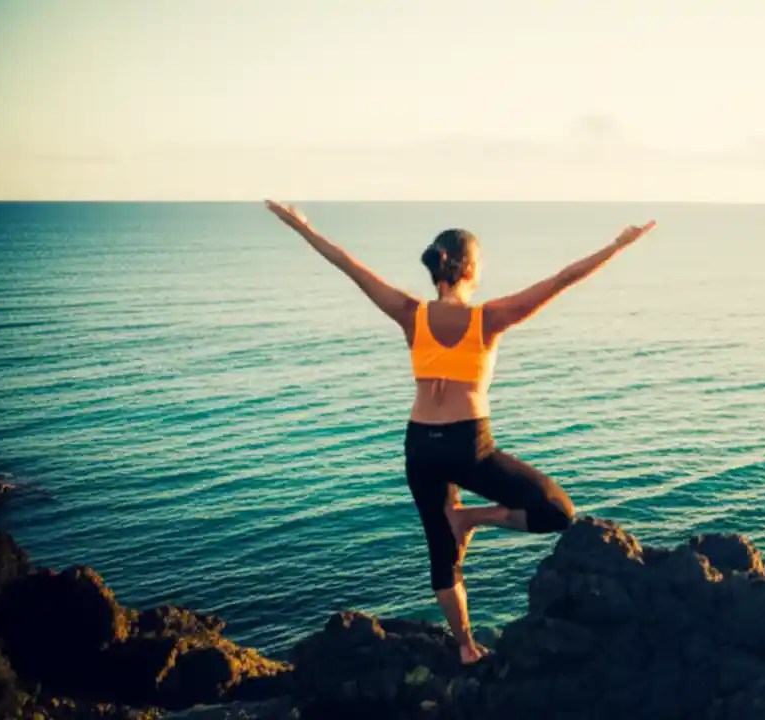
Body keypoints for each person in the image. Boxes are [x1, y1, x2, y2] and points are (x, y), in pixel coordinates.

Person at [265, 200, 656, 664]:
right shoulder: (486, 319)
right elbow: (561, 281)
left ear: (438, 270)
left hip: (419, 447)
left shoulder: (410, 313)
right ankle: (471, 518)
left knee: (441, 554)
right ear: (469, 268)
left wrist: (301, 225)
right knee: (557, 510)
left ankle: (467, 648)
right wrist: (617, 245)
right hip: (469, 447)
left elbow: (349, 265)